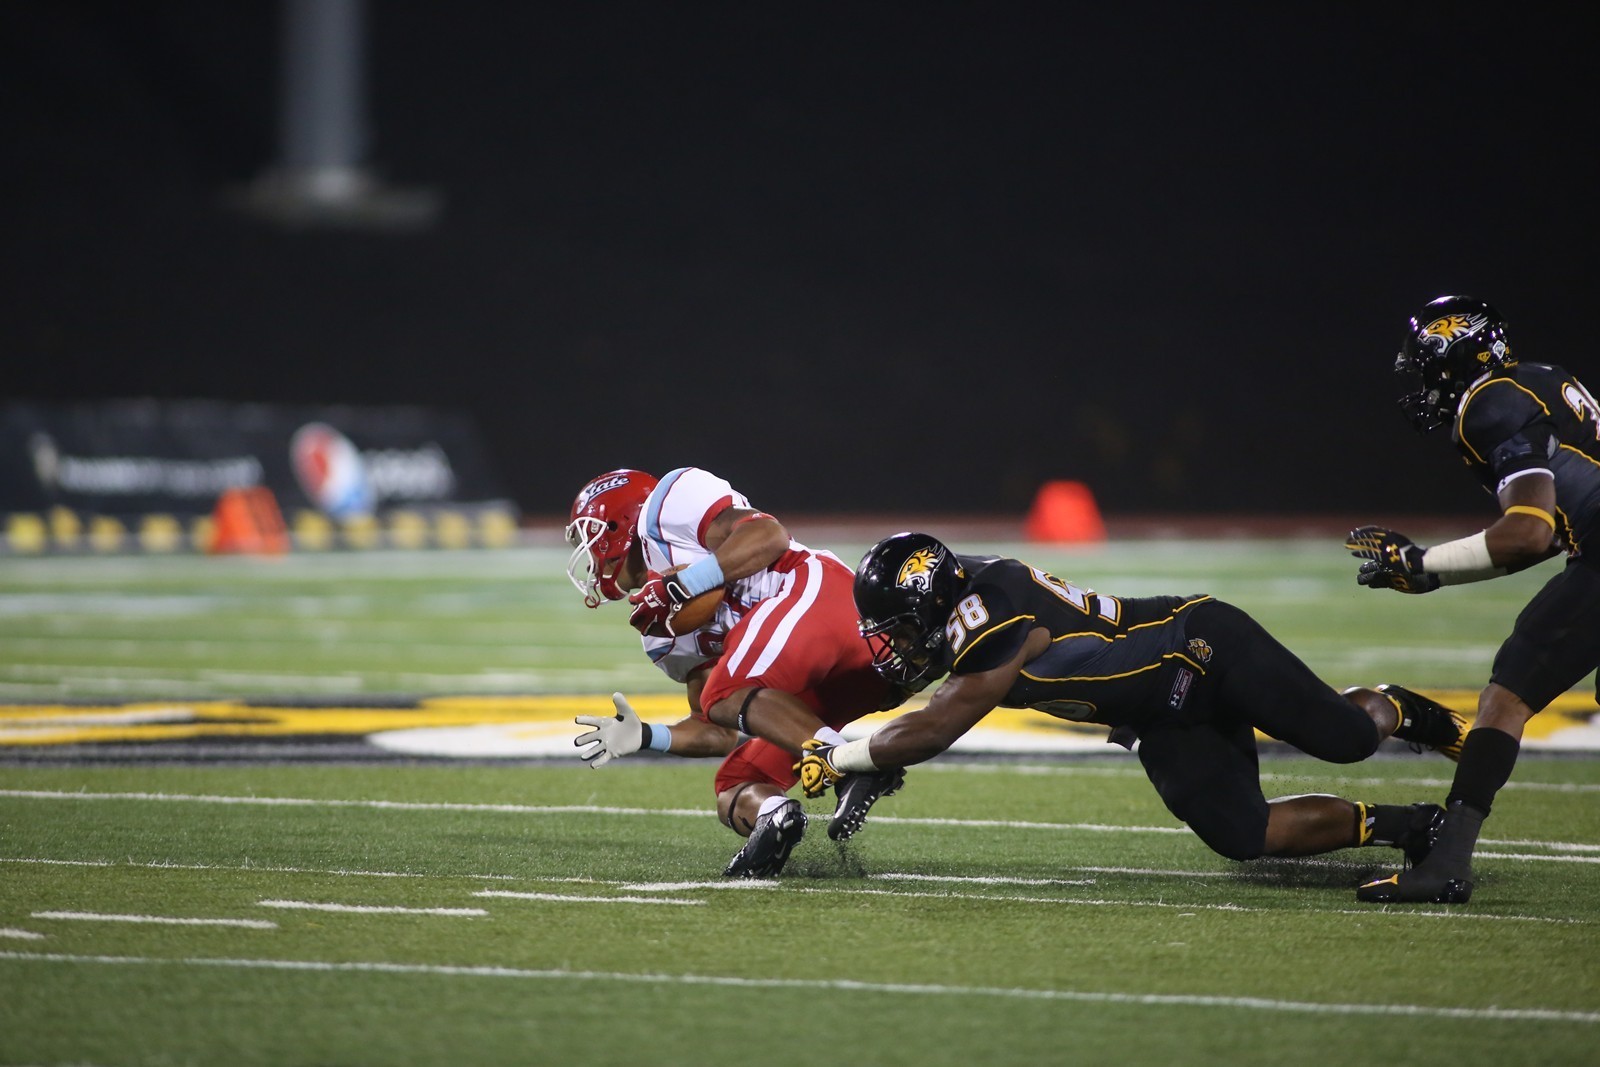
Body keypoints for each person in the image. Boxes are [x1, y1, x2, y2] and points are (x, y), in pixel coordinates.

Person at [795, 531, 1465, 870]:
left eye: (901, 629)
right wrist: (865, 763)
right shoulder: (953, 600)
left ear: (933, 605)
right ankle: (1410, 828)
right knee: (1240, 834)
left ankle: (1397, 707)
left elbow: (939, 723)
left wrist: (842, 755)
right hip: (1154, 711)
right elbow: (917, 712)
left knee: (1346, 738)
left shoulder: (989, 605)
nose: (897, 646)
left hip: (1202, 648)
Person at [1340, 295, 1600, 904]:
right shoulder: (1546, 382)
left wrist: (1423, 563)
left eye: (1428, 367)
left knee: (1505, 698)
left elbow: (1528, 532)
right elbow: (1545, 532)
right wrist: (1432, 574)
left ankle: (1447, 863)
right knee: (1509, 690)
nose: (1427, 385)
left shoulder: (1489, 402)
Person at [564, 467, 912, 877]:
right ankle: (776, 819)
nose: (589, 555)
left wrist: (682, 585)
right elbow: (717, 729)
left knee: (724, 690)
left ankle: (848, 763)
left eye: (589, 537)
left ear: (615, 522)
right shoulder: (660, 633)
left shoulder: (666, 506)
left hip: (824, 600)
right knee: (734, 781)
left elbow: (769, 536)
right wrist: (647, 736)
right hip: (839, 676)